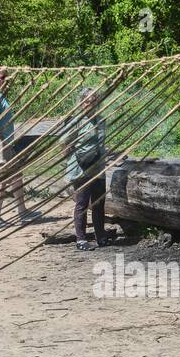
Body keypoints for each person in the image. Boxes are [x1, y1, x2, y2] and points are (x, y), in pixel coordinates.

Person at [0, 69, 36, 228]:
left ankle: (22, 211)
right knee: (1, 180)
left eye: (6, 78)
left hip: (5, 142)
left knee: (16, 175)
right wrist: (3, 142)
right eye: (3, 77)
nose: (5, 80)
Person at [63, 87, 108, 251]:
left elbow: (101, 144)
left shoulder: (101, 120)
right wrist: (73, 157)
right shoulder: (76, 121)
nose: (90, 103)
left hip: (98, 167)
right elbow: (65, 141)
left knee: (99, 203)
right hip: (81, 168)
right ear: (82, 102)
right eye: (87, 100)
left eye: (93, 100)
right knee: (82, 203)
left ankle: (100, 236)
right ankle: (81, 239)